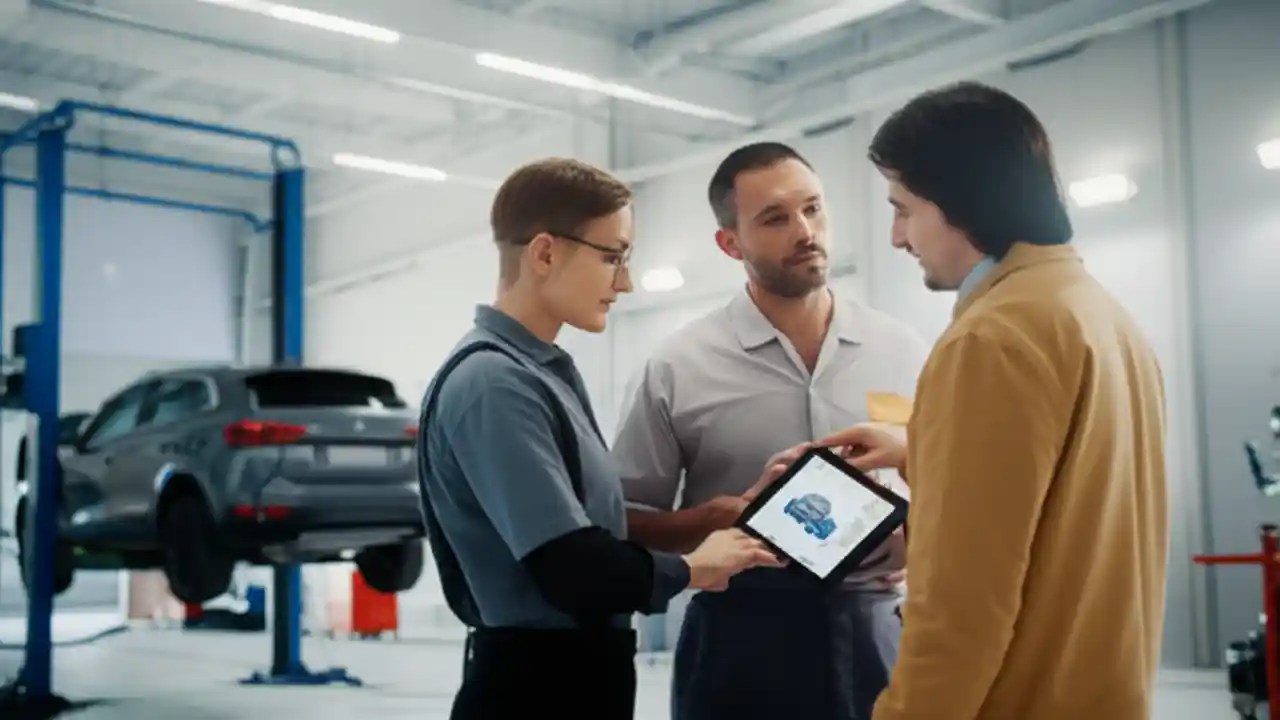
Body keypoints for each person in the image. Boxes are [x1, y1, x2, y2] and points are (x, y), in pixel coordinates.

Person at [817, 82, 1169, 719]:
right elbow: (1067, 508)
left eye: (903, 209)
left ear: (960, 199)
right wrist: (921, 451)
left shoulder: (990, 339)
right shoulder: (1104, 318)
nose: (897, 237)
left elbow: (961, 605)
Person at [416, 158, 783, 720]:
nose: (625, 282)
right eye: (613, 256)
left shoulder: (540, 373)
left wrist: (706, 519)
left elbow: (588, 526)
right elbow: (572, 567)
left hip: (575, 675)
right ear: (544, 254)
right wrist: (693, 568)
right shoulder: (494, 385)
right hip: (536, 687)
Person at [612, 142, 931, 720]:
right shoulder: (678, 367)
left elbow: (950, 485)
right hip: (739, 647)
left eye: (813, 208)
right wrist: (715, 518)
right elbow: (625, 521)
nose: (805, 231)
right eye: (775, 218)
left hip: (879, 633)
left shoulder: (904, 351)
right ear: (730, 243)